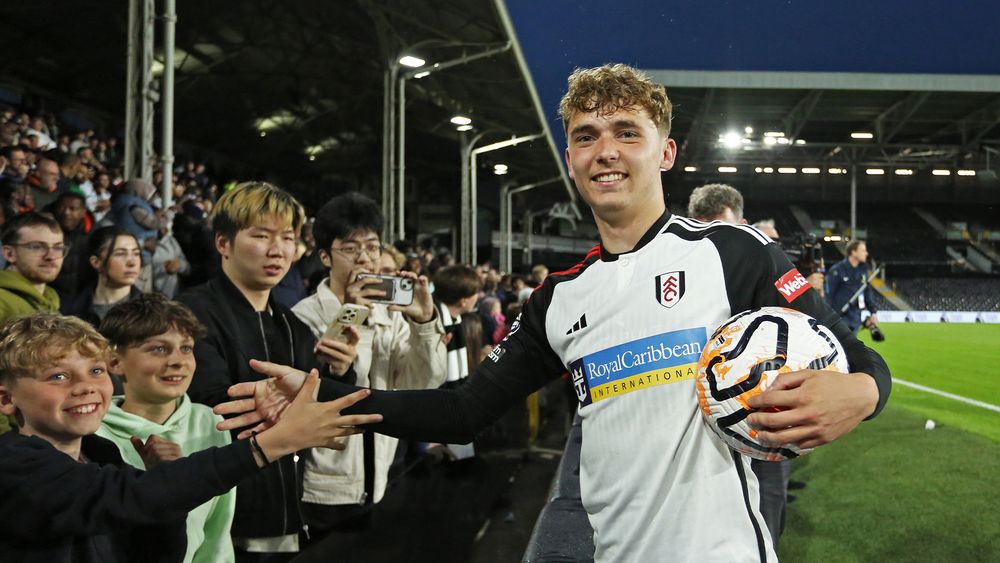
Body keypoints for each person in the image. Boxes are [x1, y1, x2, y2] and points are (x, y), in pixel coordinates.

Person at [215, 64, 891, 563]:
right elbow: (462, 409)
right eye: (587, 135)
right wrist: (321, 393)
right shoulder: (558, 298)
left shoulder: (733, 253)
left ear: (666, 150)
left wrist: (862, 391)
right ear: (569, 156)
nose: (607, 150)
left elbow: (851, 350)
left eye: (629, 132)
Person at [0, 312, 380, 563]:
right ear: (6, 398)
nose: (85, 387)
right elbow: (125, 498)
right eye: (58, 376)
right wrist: (271, 445)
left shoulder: (104, 455)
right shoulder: (14, 463)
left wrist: (166, 495)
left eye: (95, 370)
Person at [179, 180, 357, 562]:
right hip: (225, 510)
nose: (277, 249)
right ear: (223, 243)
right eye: (261, 235)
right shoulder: (190, 313)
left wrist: (340, 373)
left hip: (294, 504)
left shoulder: (294, 327)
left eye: (288, 238)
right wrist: (299, 409)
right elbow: (215, 406)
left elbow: (327, 413)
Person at [290, 191, 446, 537]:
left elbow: (426, 380)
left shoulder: (390, 317)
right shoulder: (305, 316)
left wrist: (424, 323)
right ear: (325, 257)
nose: (365, 259)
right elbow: (333, 388)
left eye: (372, 247)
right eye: (350, 248)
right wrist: (351, 314)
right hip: (323, 486)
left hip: (379, 476)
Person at [94, 293, 236, 563]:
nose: (178, 361)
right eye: (158, 349)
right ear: (115, 362)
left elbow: (217, 530)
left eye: (186, 348)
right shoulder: (92, 431)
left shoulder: (210, 420)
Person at [63, 226, 143, 327]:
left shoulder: (150, 312)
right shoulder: (71, 312)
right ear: (96, 262)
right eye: (120, 254)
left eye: (136, 254)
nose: (132, 262)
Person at [0, 212, 65, 322]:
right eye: (37, 247)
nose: (51, 256)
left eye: (58, 248)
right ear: (9, 254)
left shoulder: (50, 300)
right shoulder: (2, 303)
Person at [826, 240, 879, 333]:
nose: (866, 253)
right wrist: (828, 317)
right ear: (853, 252)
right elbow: (828, 295)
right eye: (863, 250)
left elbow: (867, 293)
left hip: (855, 320)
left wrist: (873, 312)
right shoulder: (837, 270)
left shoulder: (863, 272)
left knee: (851, 347)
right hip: (839, 320)